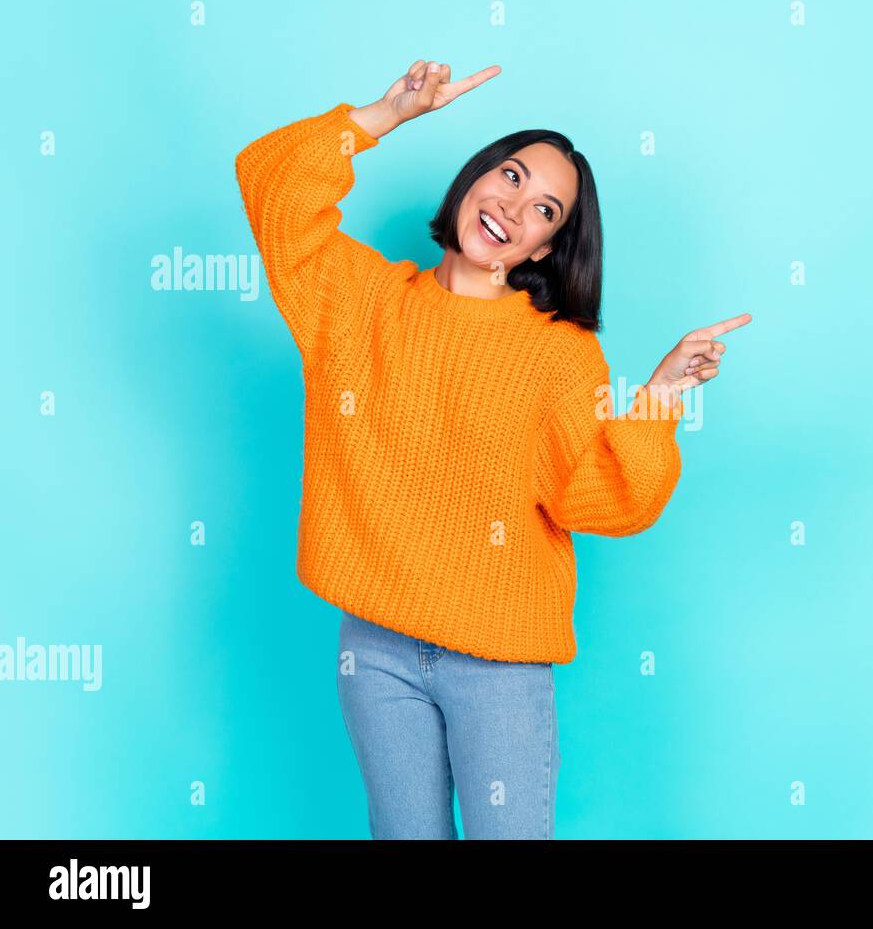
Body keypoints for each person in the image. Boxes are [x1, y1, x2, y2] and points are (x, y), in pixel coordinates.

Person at [234, 59, 750, 839]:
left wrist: (663, 393)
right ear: (473, 178)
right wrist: (384, 113)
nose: (512, 206)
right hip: (373, 649)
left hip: (501, 664)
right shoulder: (357, 301)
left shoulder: (558, 357)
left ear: (546, 248)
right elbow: (269, 181)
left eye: (543, 208)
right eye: (508, 176)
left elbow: (605, 499)